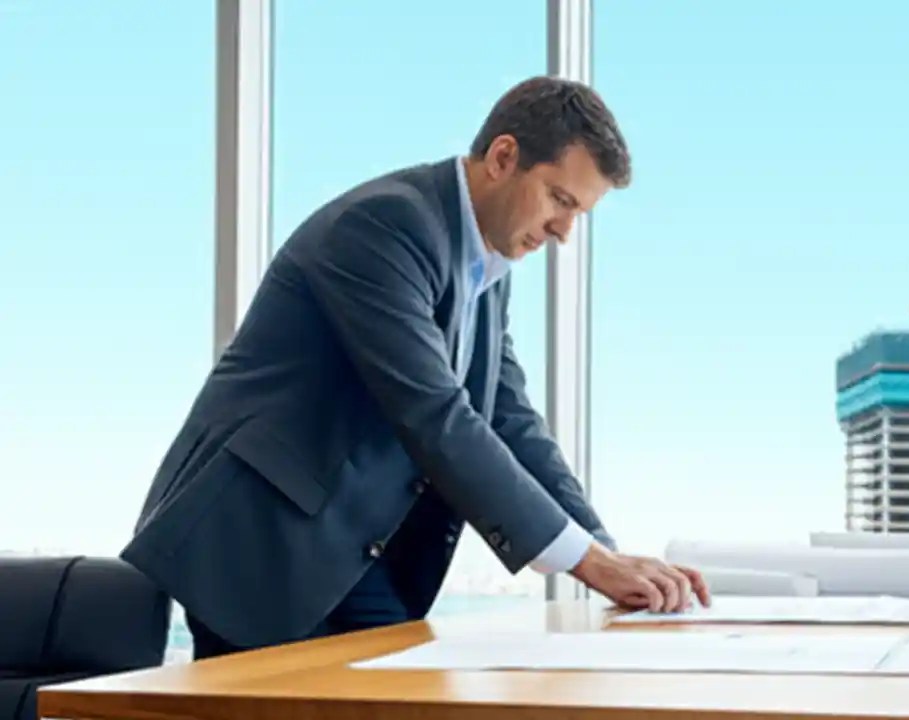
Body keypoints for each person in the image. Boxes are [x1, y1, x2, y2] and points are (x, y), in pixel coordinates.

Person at [122, 76, 711, 660]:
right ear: (504, 156)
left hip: (347, 554)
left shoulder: (484, 268)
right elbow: (436, 415)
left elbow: (510, 420)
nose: (564, 231)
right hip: (260, 544)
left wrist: (602, 552)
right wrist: (590, 563)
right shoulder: (385, 227)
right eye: (560, 200)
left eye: (579, 211)